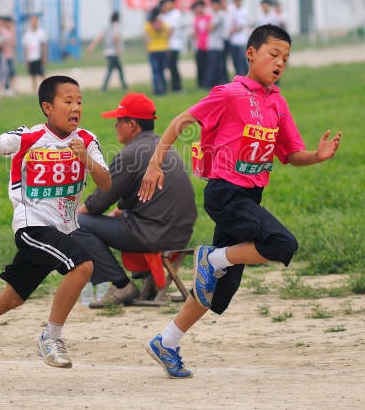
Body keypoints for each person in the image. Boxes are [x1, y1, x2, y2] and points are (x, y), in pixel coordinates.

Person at [138, 25, 342, 378]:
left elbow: (291, 155)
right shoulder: (229, 94)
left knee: (216, 289)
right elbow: (180, 121)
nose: (280, 63)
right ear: (251, 54)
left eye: (286, 58)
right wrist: (155, 163)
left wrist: (317, 156)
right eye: (273, 54)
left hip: (250, 196)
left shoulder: (277, 103)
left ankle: (166, 342)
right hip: (225, 193)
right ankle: (212, 258)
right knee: (282, 243)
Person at [0, 75, 112, 368]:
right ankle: (50, 337)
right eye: (68, 101)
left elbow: (106, 183)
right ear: (47, 107)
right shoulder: (28, 138)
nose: (76, 108)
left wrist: (87, 161)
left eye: (79, 102)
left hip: (62, 230)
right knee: (83, 265)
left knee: (12, 298)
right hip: (32, 225)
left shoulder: (87, 141)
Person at [74, 92, 196, 308]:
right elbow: (138, 198)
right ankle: (145, 280)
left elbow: (98, 204)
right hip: (180, 233)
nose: (115, 126)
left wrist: (72, 218)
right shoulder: (162, 147)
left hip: (155, 234)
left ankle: (122, 285)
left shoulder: (131, 154)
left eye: (118, 121)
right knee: (118, 217)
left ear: (132, 125)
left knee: (78, 224)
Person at [87, 11, 127, 92]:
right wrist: (118, 49)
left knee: (118, 69)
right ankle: (104, 88)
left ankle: (124, 86)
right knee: (112, 70)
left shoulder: (107, 27)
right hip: (114, 52)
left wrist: (92, 45)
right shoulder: (116, 26)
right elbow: (115, 38)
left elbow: (100, 37)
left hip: (107, 52)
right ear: (117, 18)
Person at [161, 0, 184, 92]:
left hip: (174, 44)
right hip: (167, 45)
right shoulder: (167, 14)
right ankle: (173, 87)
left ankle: (177, 87)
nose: (166, 6)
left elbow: (170, 30)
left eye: (168, 3)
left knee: (173, 66)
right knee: (170, 66)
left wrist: (162, 35)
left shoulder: (176, 14)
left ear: (172, 3)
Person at [145, 7, 169, 96]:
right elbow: (168, 34)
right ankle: (164, 89)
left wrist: (147, 48)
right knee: (162, 70)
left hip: (153, 49)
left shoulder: (148, 24)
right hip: (163, 48)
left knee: (155, 71)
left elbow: (147, 38)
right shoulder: (163, 23)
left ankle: (157, 90)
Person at [22, 14, 48, 93]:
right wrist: (26, 59)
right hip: (31, 57)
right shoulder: (27, 34)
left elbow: (44, 46)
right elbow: (25, 48)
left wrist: (44, 56)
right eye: (32, 21)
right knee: (32, 75)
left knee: (41, 74)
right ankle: (34, 90)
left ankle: (46, 89)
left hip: (39, 56)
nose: (33, 22)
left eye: (34, 20)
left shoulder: (41, 32)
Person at [227, 0, 250, 76]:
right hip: (233, 40)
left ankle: (245, 76)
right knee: (235, 60)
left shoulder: (244, 11)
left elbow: (242, 25)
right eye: (236, 1)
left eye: (238, 1)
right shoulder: (231, 11)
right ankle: (238, 76)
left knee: (242, 59)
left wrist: (233, 30)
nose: (237, 2)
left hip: (242, 40)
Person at [191, 0, 211, 88]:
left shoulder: (208, 17)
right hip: (199, 45)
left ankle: (207, 82)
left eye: (200, 7)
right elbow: (195, 32)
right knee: (200, 65)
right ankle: (200, 83)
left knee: (207, 65)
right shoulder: (196, 19)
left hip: (208, 45)